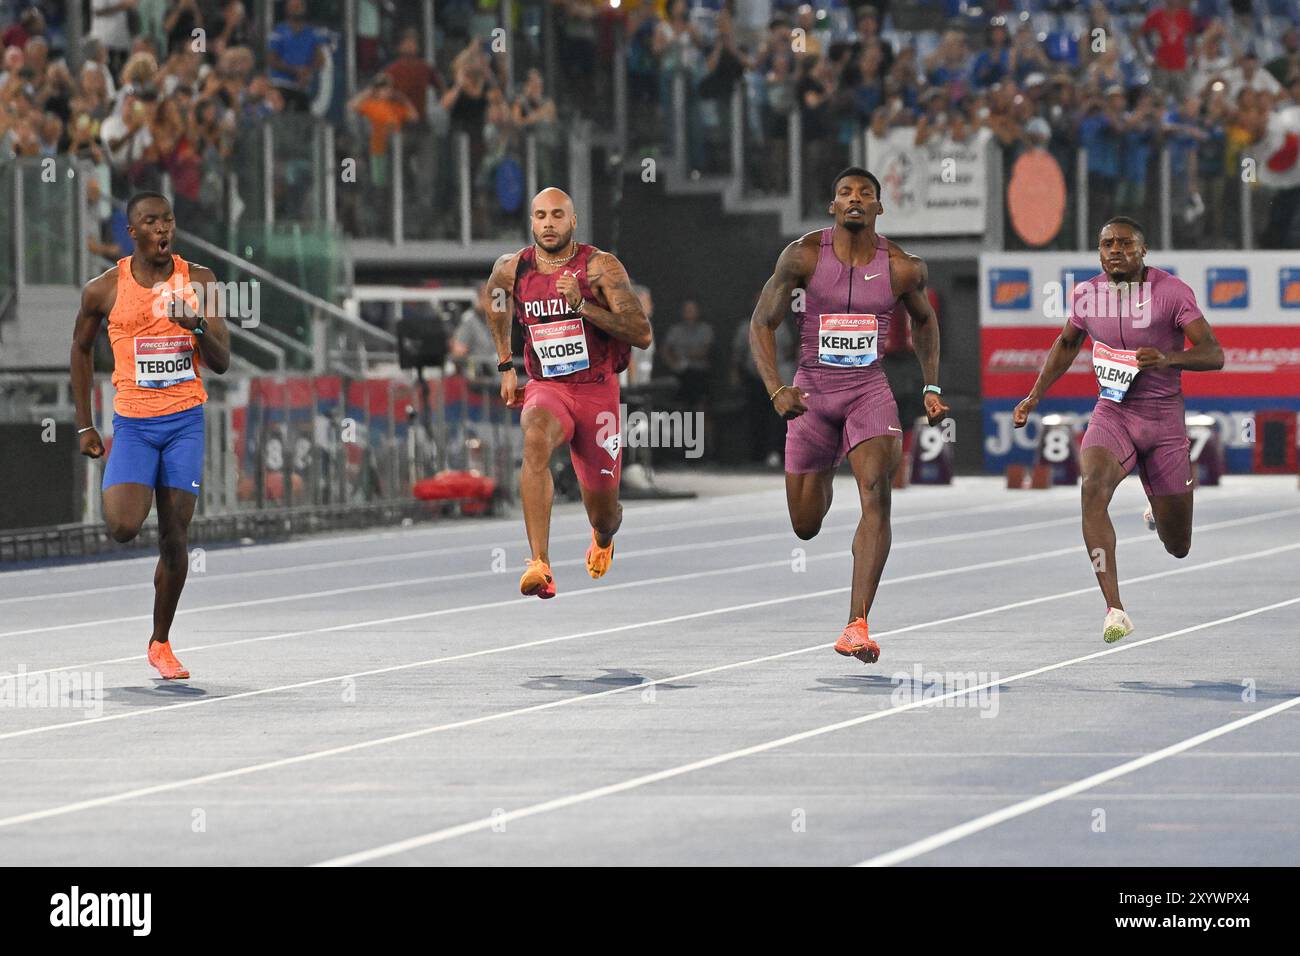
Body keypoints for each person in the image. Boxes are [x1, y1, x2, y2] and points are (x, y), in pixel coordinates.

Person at [750, 167, 948, 665]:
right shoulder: (802, 256)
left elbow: (924, 321)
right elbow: (762, 322)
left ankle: (856, 623)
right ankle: (829, 464)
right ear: (833, 207)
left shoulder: (903, 267)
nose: (855, 199)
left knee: (877, 495)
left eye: (865, 194)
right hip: (812, 394)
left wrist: (930, 383)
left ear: (879, 208)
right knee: (805, 524)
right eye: (845, 193)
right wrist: (776, 389)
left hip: (868, 392)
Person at [1013, 217, 1223, 643]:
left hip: (1163, 421)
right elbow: (1068, 344)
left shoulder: (1171, 292)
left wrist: (1167, 359)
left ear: (1143, 251)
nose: (1115, 250)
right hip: (1113, 414)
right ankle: (1115, 609)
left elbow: (1213, 354)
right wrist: (1035, 395)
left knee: (1177, 544)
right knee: (1091, 486)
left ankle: (1157, 511)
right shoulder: (1087, 295)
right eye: (1107, 243)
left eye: (1125, 243)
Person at [70, 192, 232, 679]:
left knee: (174, 537)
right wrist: (84, 423)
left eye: (168, 220)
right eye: (150, 222)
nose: (163, 229)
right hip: (135, 427)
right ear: (133, 231)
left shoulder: (199, 282)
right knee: (121, 527)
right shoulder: (104, 290)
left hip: (184, 422)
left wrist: (197, 325)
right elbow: (79, 351)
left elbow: (222, 362)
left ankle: (160, 642)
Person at [484, 188, 652, 599]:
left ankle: (603, 536)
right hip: (548, 388)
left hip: (597, 393)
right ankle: (540, 564)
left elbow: (641, 334)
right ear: (531, 222)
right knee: (535, 439)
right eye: (540, 215)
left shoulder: (600, 268)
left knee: (605, 512)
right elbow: (494, 296)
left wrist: (583, 308)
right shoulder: (513, 267)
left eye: (557, 215)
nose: (548, 223)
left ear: (573, 221)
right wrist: (506, 363)